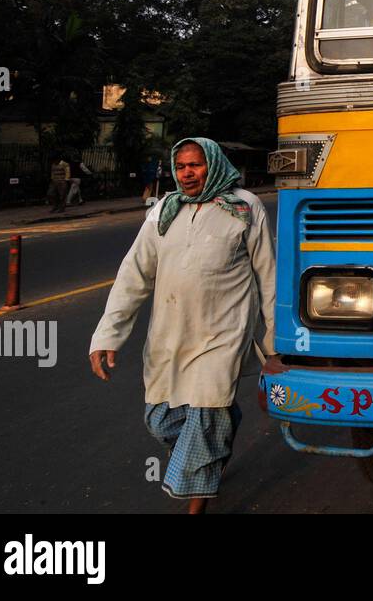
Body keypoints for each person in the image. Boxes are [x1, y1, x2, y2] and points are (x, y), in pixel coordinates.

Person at [89, 137, 276, 513]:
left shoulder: (245, 207)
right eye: (181, 166)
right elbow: (134, 275)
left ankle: (197, 501)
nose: (187, 174)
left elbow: (267, 276)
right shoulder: (163, 211)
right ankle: (222, 427)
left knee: (205, 417)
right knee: (161, 419)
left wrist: (275, 346)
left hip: (224, 332)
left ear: (214, 164)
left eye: (195, 165)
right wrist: (107, 335)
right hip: (170, 334)